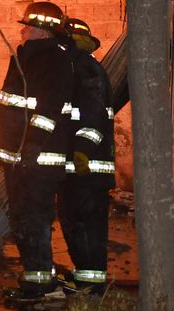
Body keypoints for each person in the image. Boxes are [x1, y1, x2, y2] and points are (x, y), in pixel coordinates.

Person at [0, 1, 76, 304]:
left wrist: (33, 144)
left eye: (27, 26)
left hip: (36, 159)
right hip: (20, 155)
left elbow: (48, 110)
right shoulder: (28, 58)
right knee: (24, 219)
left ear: (42, 30)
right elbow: (17, 107)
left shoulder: (54, 61)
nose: (22, 30)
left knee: (32, 219)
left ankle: (42, 288)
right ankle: (38, 281)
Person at [58, 17, 116, 296]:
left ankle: (90, 286)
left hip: (86, 170)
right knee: (82, 227)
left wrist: (81, 151)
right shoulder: (83, 66)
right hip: (83, 170)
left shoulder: (84, 69)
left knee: (83, 227)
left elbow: (94, 118)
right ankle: (88, 283)